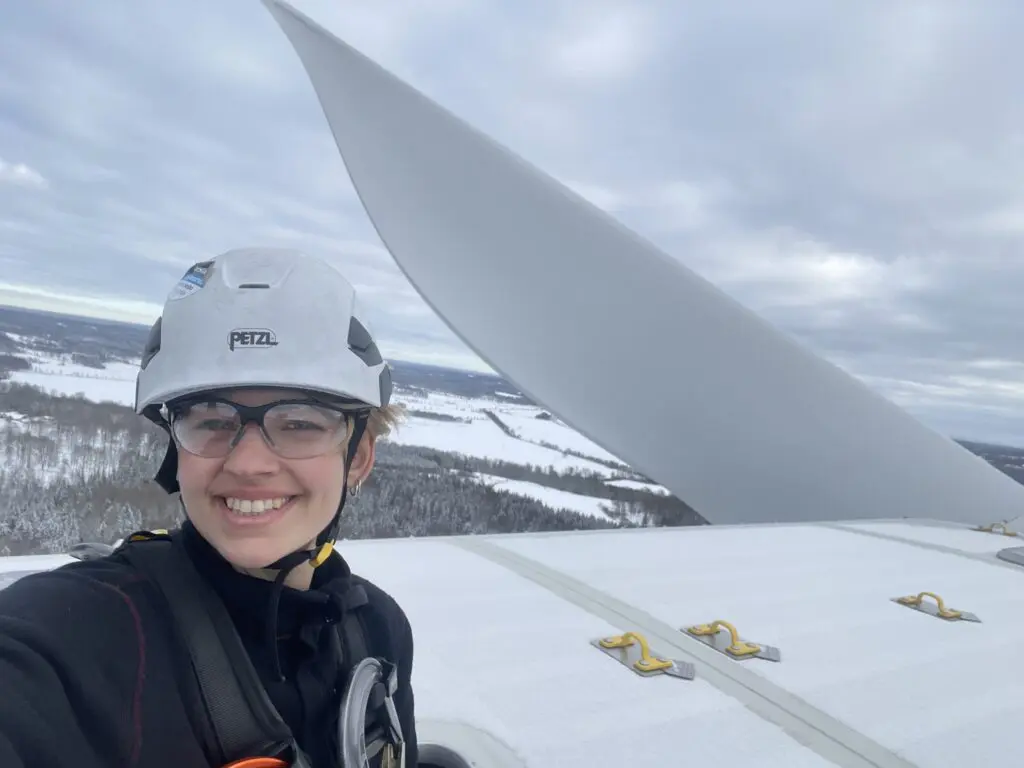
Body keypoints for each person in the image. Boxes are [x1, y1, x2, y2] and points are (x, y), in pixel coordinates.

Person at [0, 247, 418, 767]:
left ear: (358, 457)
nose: (247, 462)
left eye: (300, 423)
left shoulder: (376, 631)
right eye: (212, 419)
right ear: (177, 449)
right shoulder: (85, 631)